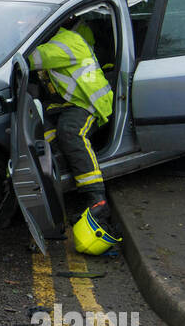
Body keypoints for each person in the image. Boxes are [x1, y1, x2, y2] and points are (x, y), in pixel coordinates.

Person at [26, 16, 117, 252]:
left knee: (70, 132)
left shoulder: (64, 43)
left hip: (89, 103)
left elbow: (31, 59)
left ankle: (96, 197)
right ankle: (60, 178)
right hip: (68, 101)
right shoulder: (57, 39)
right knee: (39, 127)